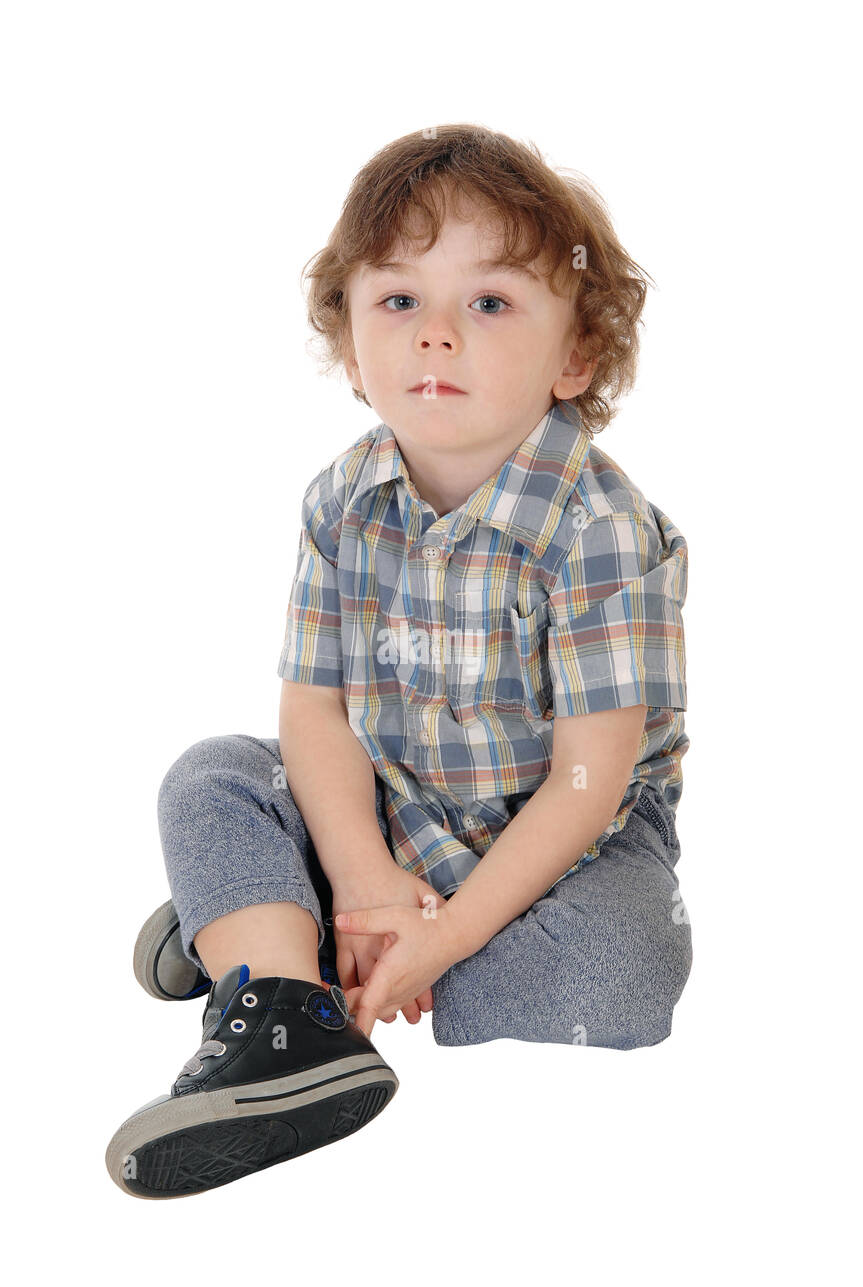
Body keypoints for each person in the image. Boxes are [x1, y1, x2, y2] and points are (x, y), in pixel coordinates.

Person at [106, 123, 692, 1200]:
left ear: (576, 355)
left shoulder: (599, 529)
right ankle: (290, 1015)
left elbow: (586, 779)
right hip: (386, 809)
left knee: (626, 972)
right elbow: (315, 714)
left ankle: (279, 943)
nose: (434, 337)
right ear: (349, 342)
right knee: (212, 774)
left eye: (487, 303)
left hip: (567, 843)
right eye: (398, 302)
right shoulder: (342, 500)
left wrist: (438, 935)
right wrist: (371, 874)